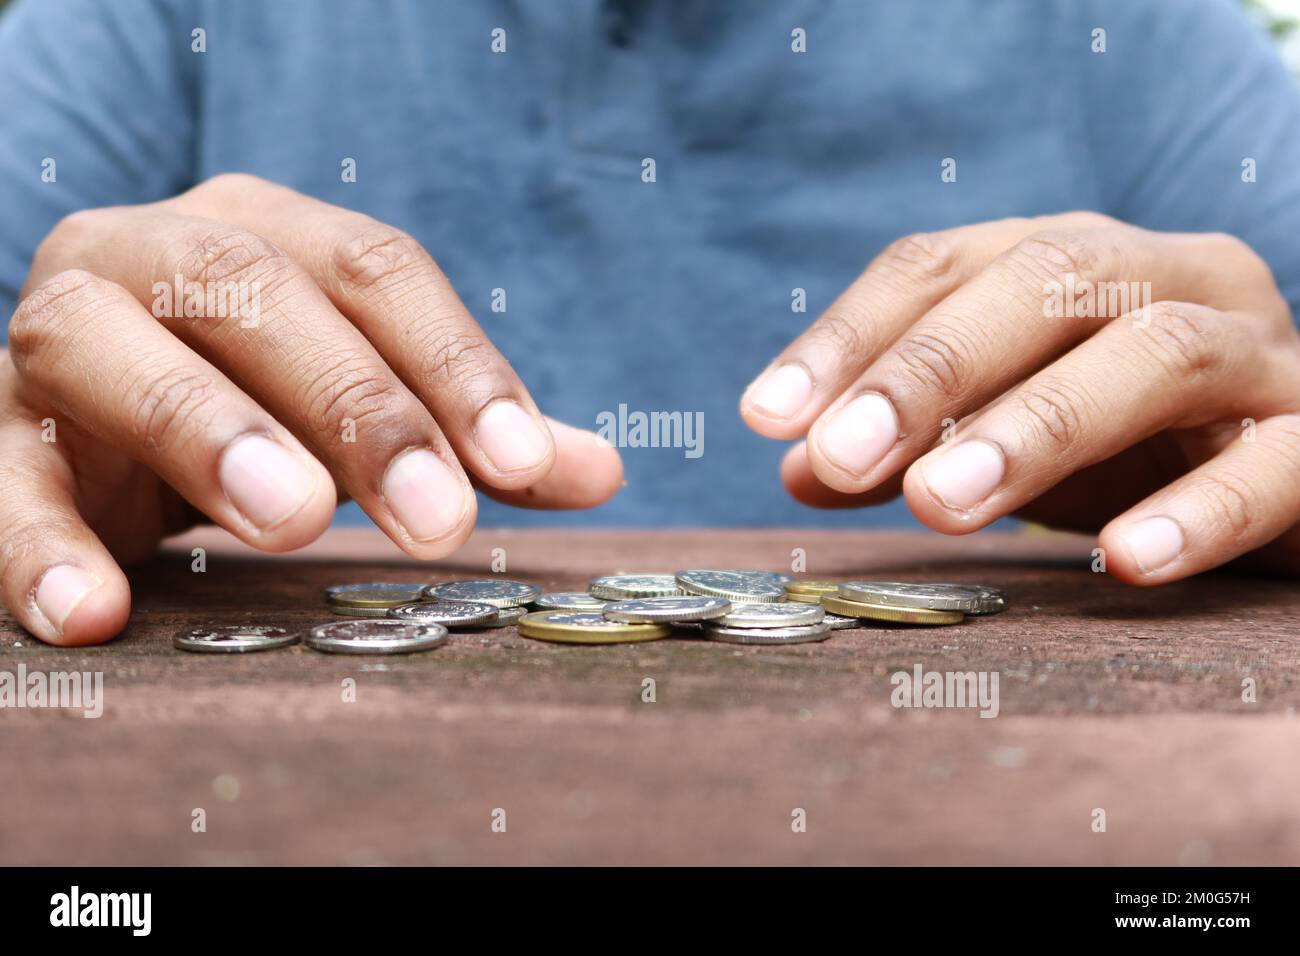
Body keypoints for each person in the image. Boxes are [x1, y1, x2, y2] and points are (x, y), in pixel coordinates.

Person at [1, 0, 1298, 646]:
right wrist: (44, 452)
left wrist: (1265, 472)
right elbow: (26, 386)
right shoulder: (136, 25)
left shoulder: (1139, 39)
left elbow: (1281, 393)